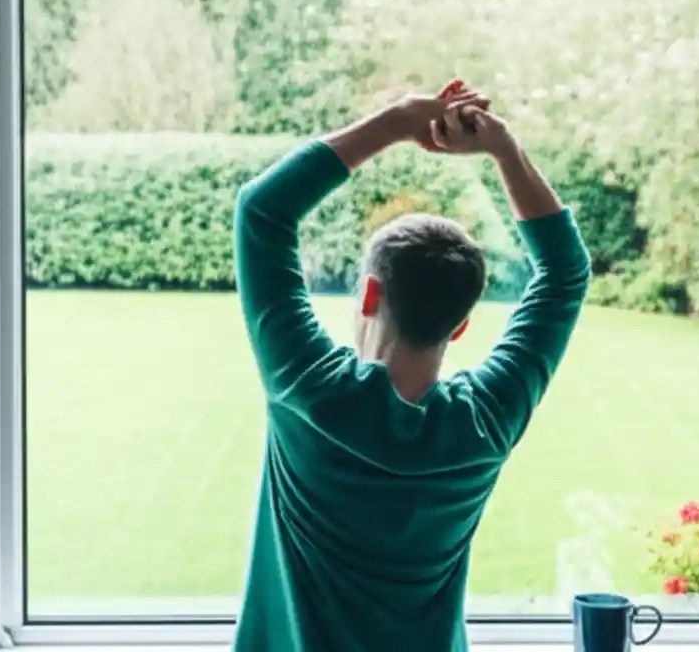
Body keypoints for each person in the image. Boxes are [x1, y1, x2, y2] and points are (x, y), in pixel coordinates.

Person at [232, 79, 591, 651]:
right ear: (461, 325)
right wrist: (503, 149)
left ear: (370, 295)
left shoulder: (307, 389)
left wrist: (399, 121)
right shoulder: (484, 423)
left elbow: (262, 211)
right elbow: (566, 273)